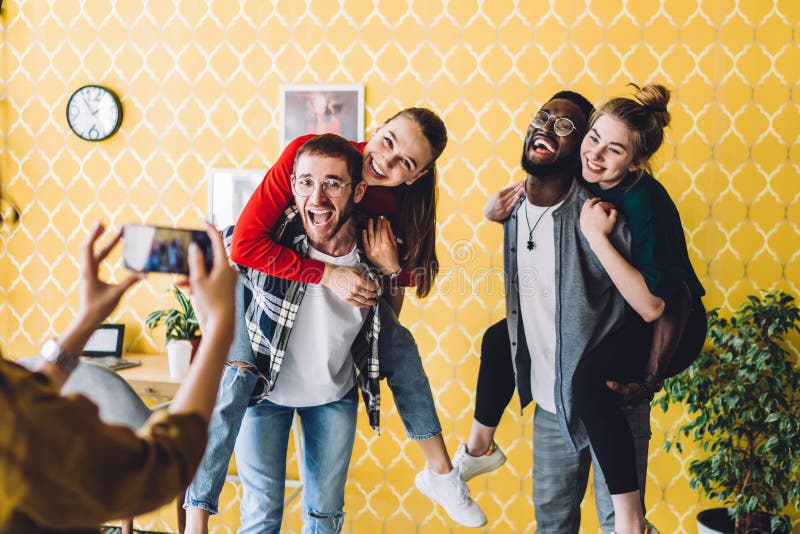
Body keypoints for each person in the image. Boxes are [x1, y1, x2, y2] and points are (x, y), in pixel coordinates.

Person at [184, 109, 487, 531]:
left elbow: (397, 305)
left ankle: (441, 473)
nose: (386, 161)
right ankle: (196, 518)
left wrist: (389, 270)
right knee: (256, 490)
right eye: (388, 141)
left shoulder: (391, 216)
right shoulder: (306, 166)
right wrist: (327, 274)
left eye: (405, 163)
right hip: (267, 377)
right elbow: (244, 246)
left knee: (400, 346)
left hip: (332, 389)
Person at [452, 91, 654, 534]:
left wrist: (644, 379)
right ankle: (479, 447)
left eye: (565, 126)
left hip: (611, 405)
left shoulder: (599, 217)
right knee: (552, 525)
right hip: (549, 407)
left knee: (619, 525)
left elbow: (648, 306)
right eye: (543, 117)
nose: (546, 127)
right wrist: (493, 214)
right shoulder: (513, 208)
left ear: (580, 146)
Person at [0, 214, 238, 533]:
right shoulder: (20, 429)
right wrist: (220, 324)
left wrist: (86, 321)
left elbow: (27, 395)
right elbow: (164, 464)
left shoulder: (17, 410)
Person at [214, 134, 383, 532]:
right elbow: (224, 254)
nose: (317, 197)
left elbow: (388, 327)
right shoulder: (267, 241)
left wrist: (389, 271)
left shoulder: (373, 247)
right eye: (306, 182)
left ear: (358, 191)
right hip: (263, 392)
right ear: (292, 186)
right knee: (260, 512)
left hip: (333, 396)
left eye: (332, 184)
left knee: (325, 515)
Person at [572, 83, 707, 534]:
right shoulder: (589, 172)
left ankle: (630, 522)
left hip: (674, 328)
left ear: (636, 162)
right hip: (636, 318)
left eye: (613, 150)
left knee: (588, 381)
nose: (595, 154)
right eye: (593, 138)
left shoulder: (645, 200)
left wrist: (596, 236)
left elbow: (653, 305)